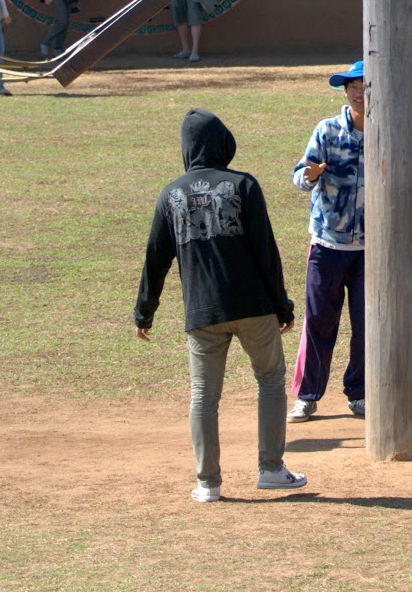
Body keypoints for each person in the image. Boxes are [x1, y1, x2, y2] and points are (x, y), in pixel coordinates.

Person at [133, 108, 306, 501]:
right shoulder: (244, 185)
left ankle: (207, 483)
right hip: (253, 307)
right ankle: (272, 469)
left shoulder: (171, 194)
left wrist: (145, 311)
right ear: (223, 142)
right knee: (270, 382)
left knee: (203, 395)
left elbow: (155, 258)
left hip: (202, 313)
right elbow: (267, 252)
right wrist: (283, 306)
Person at [289, 59, 366, 421]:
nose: (358, 91)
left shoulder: (389, 130)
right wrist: (309, 176)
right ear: (344, 91)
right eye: (352, 85)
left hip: (372, 248)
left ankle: (361, 392)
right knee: (319, 321)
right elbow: (299, 176)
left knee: (369, 324)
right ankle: (307, 394)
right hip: (328, 245)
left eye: (365, 84)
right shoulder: (327, 130)